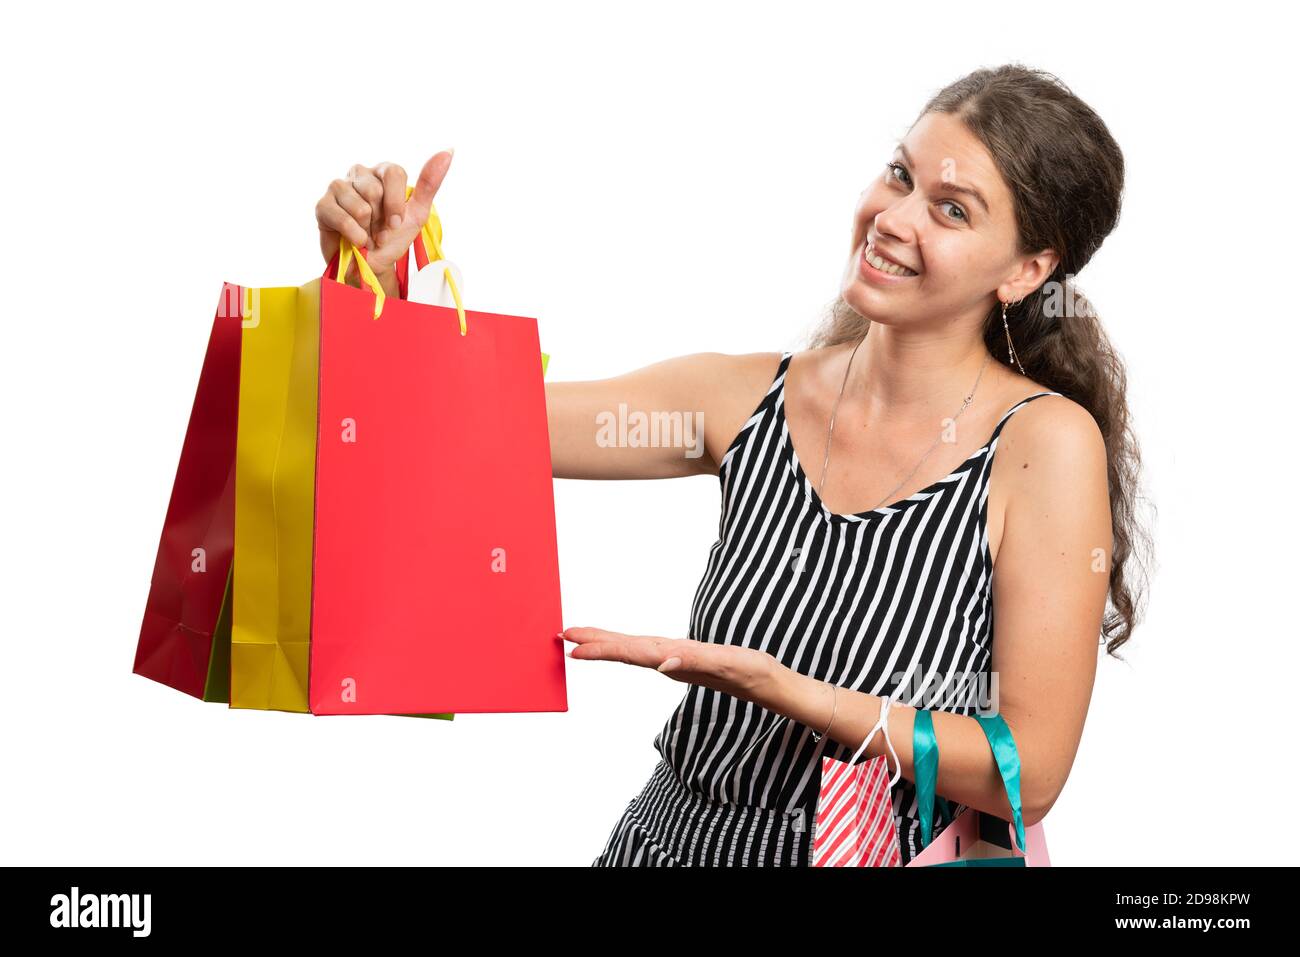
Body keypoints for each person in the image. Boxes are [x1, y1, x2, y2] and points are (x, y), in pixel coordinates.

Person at [315, 63, 1150, 867]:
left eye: (953, 210)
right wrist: (374, 292)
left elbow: (1028, 772)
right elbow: (466, 428)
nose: (895, 219)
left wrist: (787, 690)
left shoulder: (1043, 444)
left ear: (1027, 270)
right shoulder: (741, 399)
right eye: (900, 176)